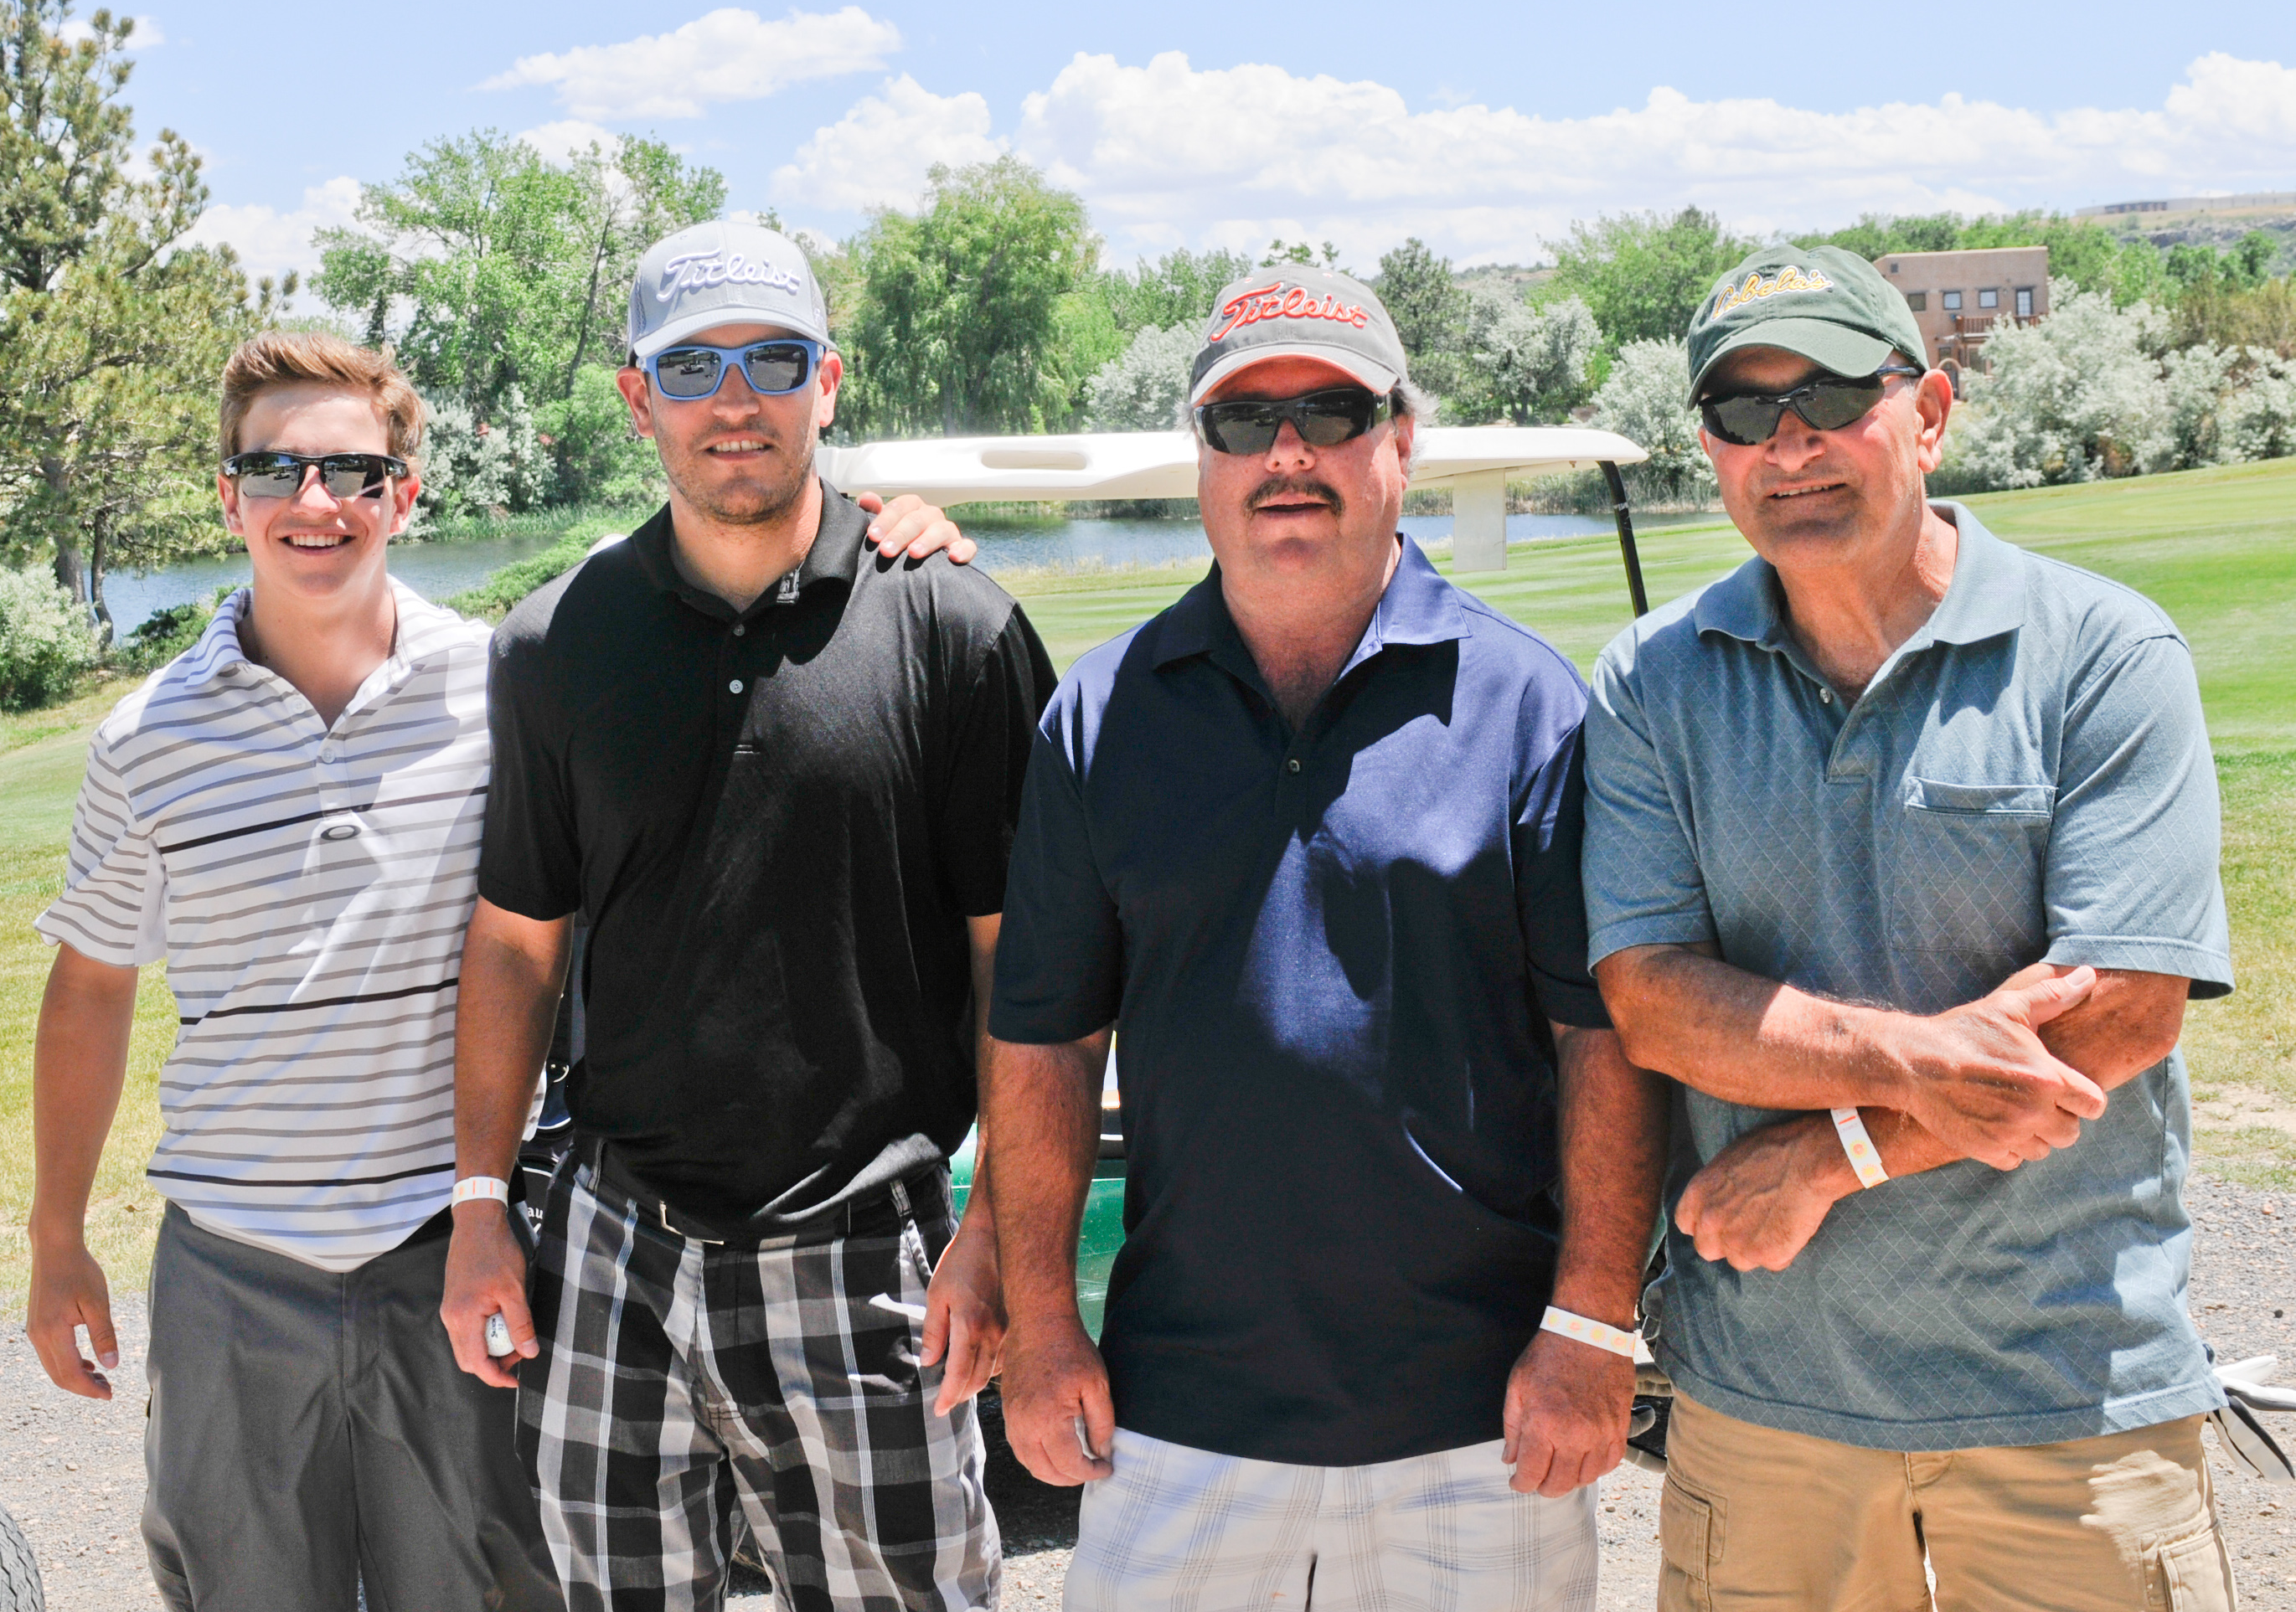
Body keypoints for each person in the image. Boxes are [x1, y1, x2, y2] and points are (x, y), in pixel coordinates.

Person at [23, 328, 967, 1611]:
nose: (314, 504)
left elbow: (725, 514)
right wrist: (58, 1232)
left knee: (492, 1589)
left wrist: (886, 529)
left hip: (461, 1244)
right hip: (231, 1257)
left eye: (354, 472)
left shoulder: (513, 680)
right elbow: (91, 989)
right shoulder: (146, 740)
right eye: (273, 471)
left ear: (405, 495)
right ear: (227, 496)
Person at [984, 266, 1667, 1612]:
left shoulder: (1527, 703)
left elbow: (1603, 1041)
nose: (1287, 452)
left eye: (1332, 411)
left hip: (1476, 1414)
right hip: (1179, 1409)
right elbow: (1044, 1044)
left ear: (1399, 442)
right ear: (1203, 460)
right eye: (1245, 422)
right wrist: (1046, 1318)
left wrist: (1591, 1325)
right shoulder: (1100, 714)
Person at [1582, 245, 2240, 1610]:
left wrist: (1829, 1154)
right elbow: (1651, 997)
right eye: (1743, 412)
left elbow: (2118, 1016)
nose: (1789, 443)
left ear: (1928, 412)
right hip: (1766, 1409)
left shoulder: (2104, 655)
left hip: (2073, 1395)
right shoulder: (1652, 682)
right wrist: (1921, 1057)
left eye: (1829, 396)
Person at [440, 218, 1053, 1612]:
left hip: (866, 1254)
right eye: (693, 363)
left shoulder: (952, 626)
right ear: (634, 392)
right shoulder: (552, 644)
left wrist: (1000, 1231)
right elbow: (516, 943)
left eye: (772, 360)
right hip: (615, 1247)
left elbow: (1031, 974)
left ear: (827, 384)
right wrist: (483, 1205)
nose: (735, 399)